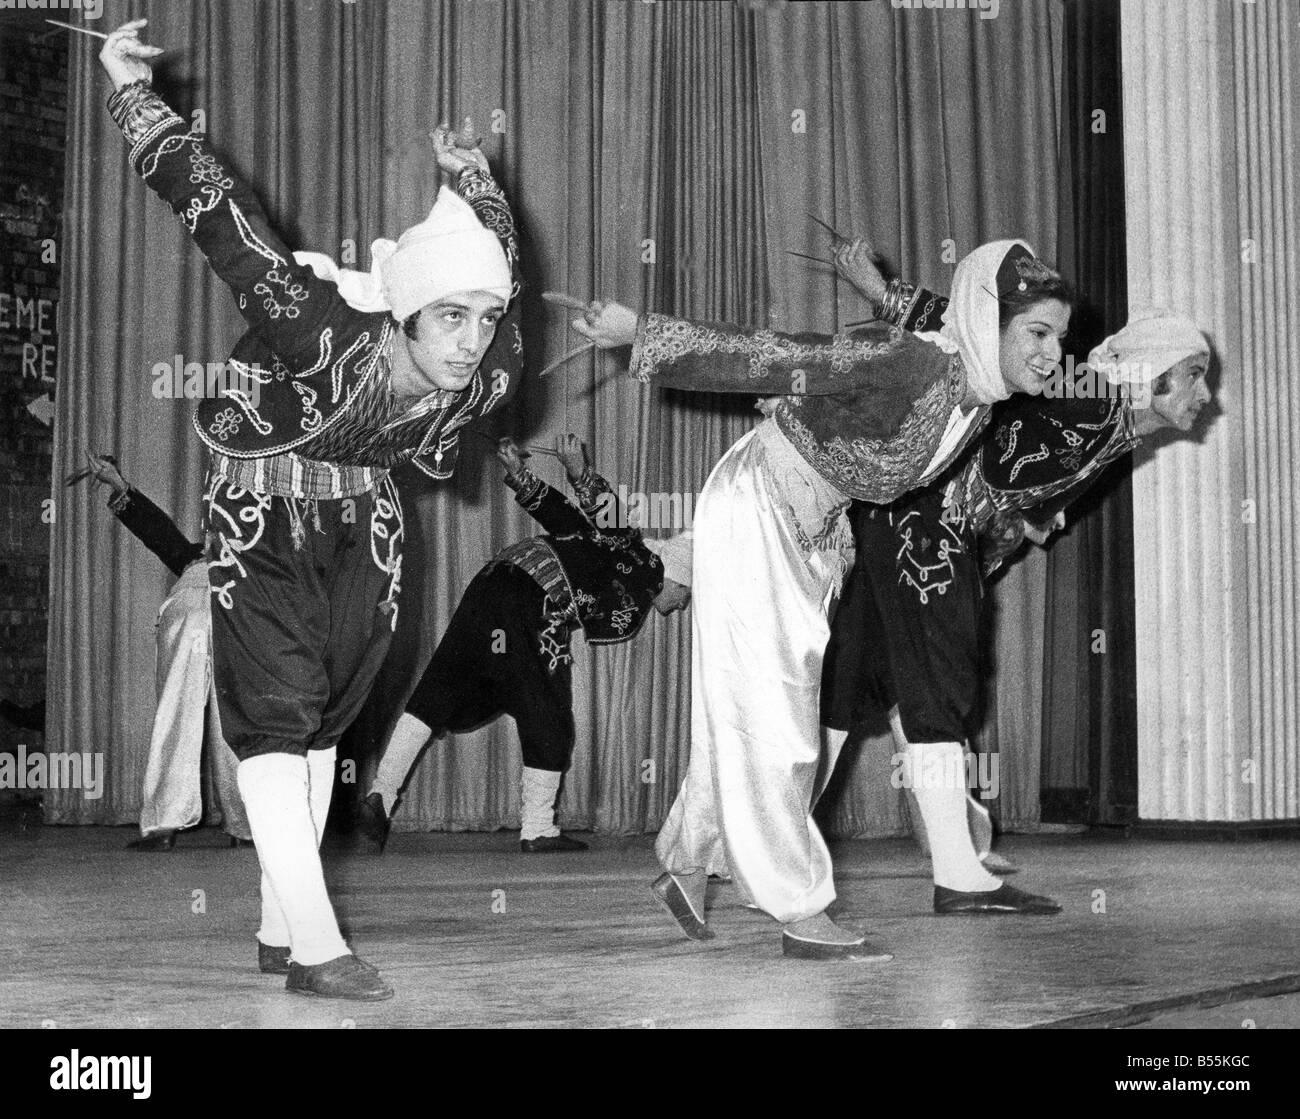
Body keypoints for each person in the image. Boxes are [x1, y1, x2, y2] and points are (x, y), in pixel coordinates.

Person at [100, 19, 523, 1000]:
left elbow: (506, 270)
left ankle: (277, 919)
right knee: (274, 724)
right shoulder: (321, 332)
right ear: (403, 314)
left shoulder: (487, 370)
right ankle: (319, 948)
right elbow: (219, 213)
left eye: (483, 320)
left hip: (366, 530)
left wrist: (477, 184)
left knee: (327, 725)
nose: (467, 343)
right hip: (264, 520)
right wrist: (131, 94)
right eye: (447, 320)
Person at [572, 237, 1071, 958]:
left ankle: (687, 861)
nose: (1054, 353)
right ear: (985, 315)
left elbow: (854, 458)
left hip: (806, 528)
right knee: (780, 718)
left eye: (1060, 336)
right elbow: (774, 353)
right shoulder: (912, 362)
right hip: (760, 506)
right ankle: (798, 905)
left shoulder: (977, 404)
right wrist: (640, 331)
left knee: (748, 708)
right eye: (1038, 332)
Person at [820, 243, 1210, 913]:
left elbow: (1038, 484)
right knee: (939, 674)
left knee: (854, 680)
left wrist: (1020, 523)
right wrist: (884, 293)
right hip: (922, 512)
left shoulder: (1114, 428)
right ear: (1149, 372)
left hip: (905, 517)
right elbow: (982, 322)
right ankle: (958, 877)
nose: (1205, 393)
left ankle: (731, 845)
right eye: (1194, 374)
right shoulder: (1090, 392)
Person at [360, 435, 693, 853]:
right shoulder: (644, 560)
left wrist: (521, 477)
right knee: (549, 715)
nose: (680, 605)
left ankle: (381, 793)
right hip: (533, 597)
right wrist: (578, 471)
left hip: (491, 583)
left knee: (440, 688)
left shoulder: (604, 553)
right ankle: (537, 828)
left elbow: (564, 519)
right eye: (685, 594)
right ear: (677, 577)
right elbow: (614, 522)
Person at [84, 452, 251, 851]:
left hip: (195, 610)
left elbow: (158, 531)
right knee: (238, 718)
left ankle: (164, 823)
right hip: (234, 612)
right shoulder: (246, 559)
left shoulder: (194, 556)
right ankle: (245, 827)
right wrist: (119, 485)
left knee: (178, 711)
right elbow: (158, 530)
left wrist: (119, 485)